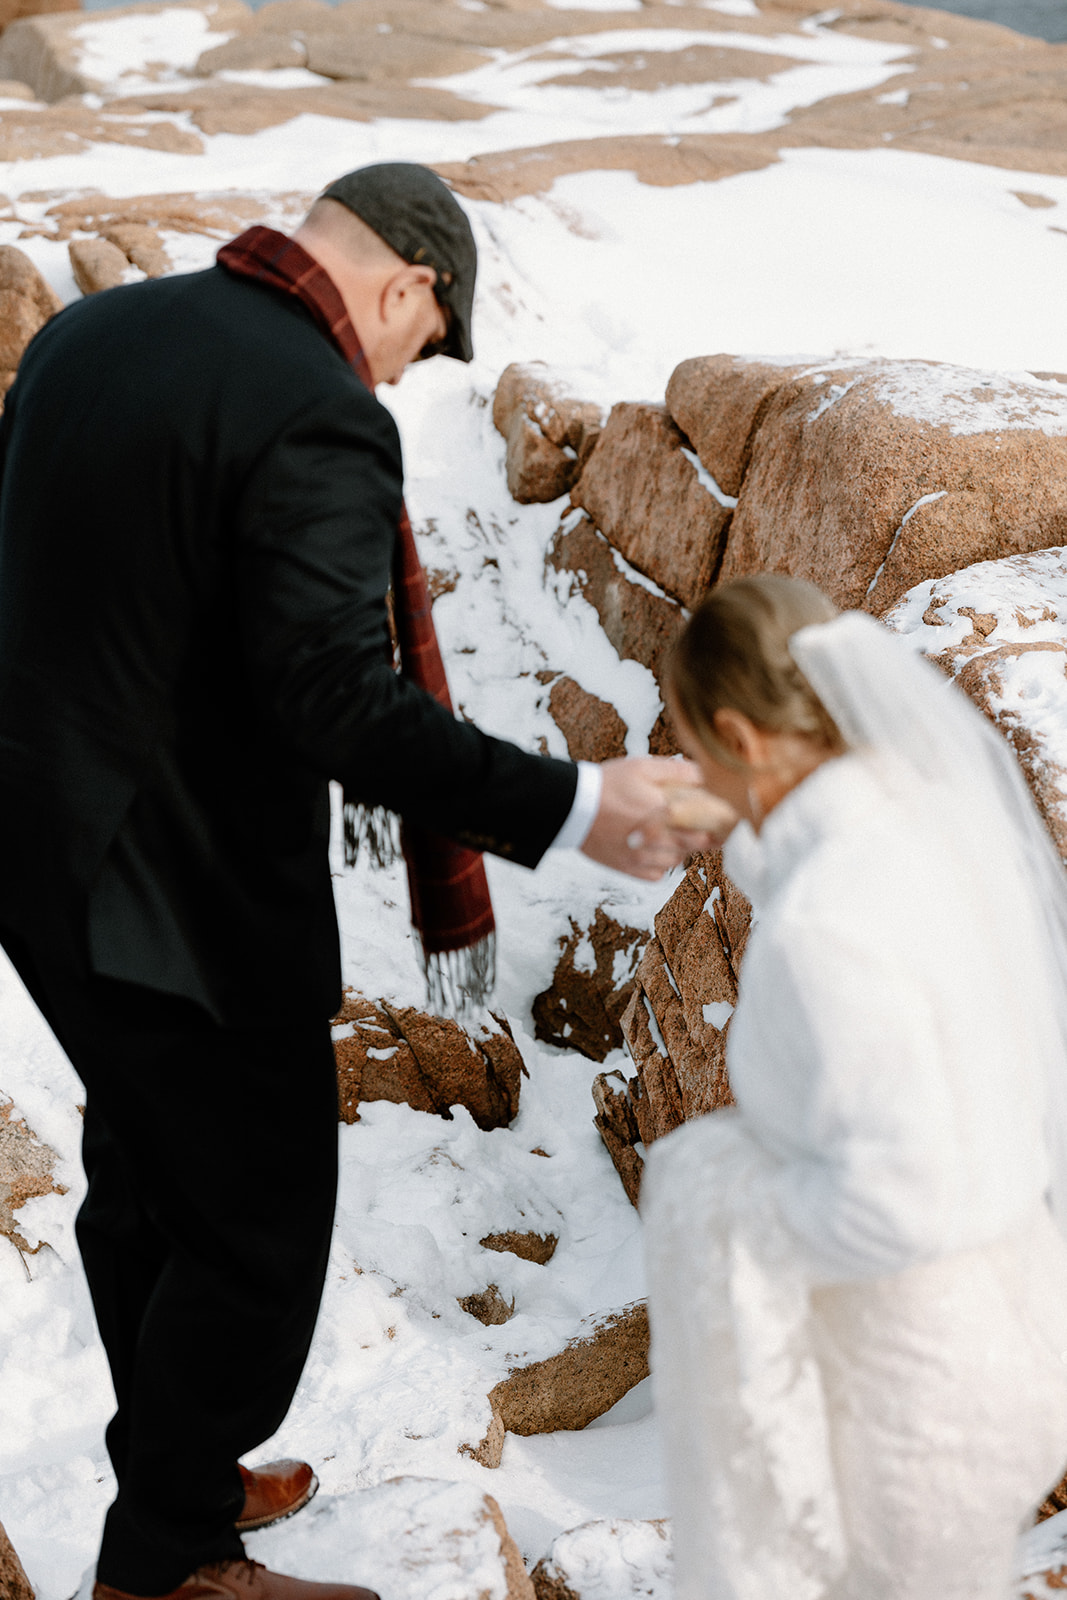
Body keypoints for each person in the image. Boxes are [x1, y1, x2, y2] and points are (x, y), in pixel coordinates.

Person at [0, 163, 708, 1600]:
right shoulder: (312, 408)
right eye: (417, 350)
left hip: (37, 846)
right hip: (172, 888)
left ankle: (179, 1471)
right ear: (407, 287)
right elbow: (338, 703)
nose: (398, 379)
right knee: (254, 1226)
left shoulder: (99, 331)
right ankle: (167, 1561)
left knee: (147, 1174)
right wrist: (572, 801)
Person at [642, 573, 1067, 1600]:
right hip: (1007, 1316)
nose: (683, 767)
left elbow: (895, 1195)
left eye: (692, 745)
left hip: (906, 1395)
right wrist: (727, 815)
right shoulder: (917, 816)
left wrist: (719, 1196)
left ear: (742, 738)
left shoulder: (825, 923)